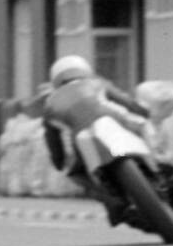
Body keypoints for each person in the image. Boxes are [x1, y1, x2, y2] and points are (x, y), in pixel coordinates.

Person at [41, 55, 154, 228]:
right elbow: (126, 101)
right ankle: (157, 166)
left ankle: (111, 200)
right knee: (143, 129)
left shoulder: (50, 102)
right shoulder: (98, 83)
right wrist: (142, 111)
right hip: (116, 121)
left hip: (82, 138)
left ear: (56, 79)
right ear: (85, 71)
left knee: (77, 174)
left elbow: (52, 138)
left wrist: (59, 161)